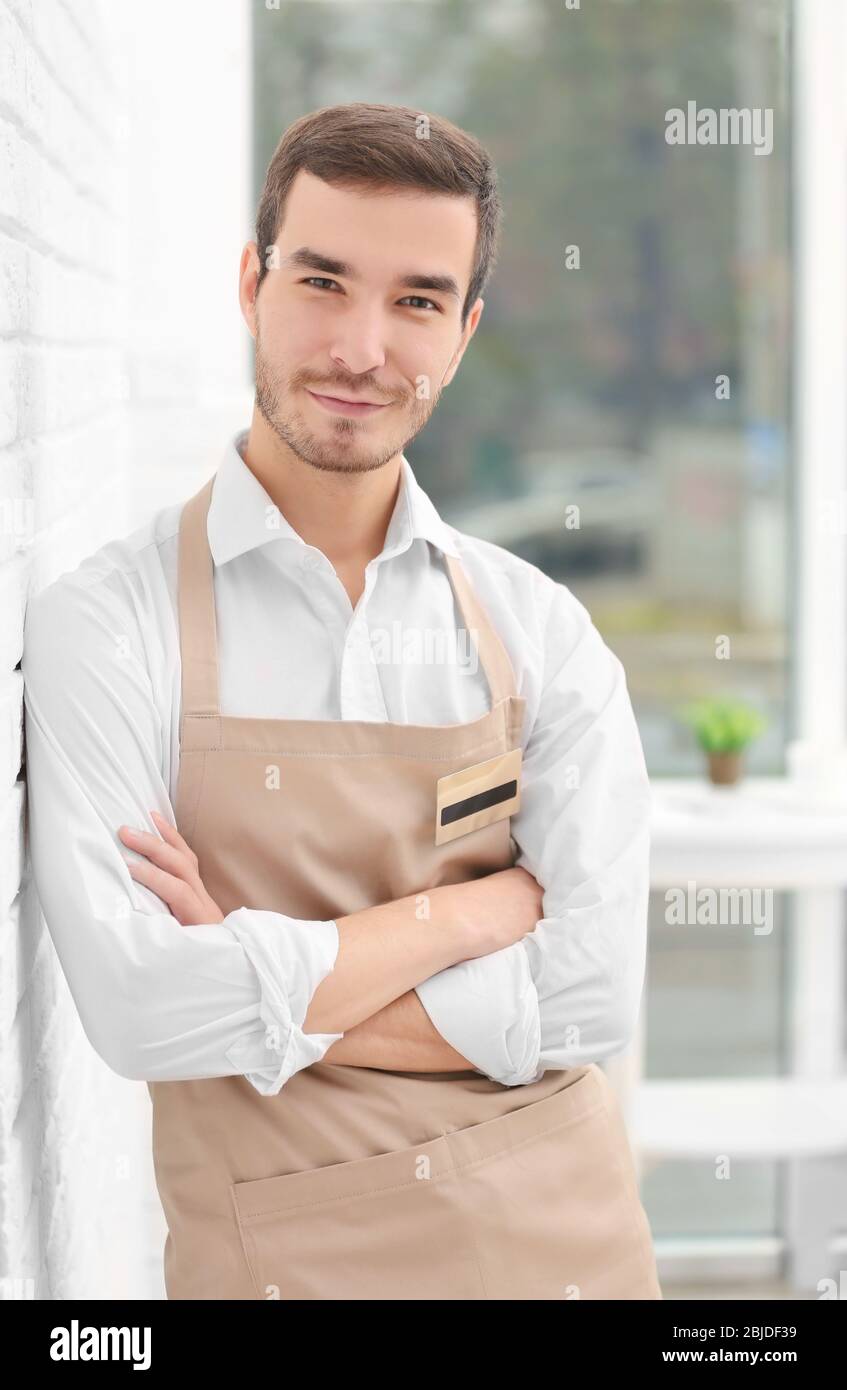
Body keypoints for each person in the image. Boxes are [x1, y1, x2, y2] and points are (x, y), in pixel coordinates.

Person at [22, 101, 662, 1300]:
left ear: (464, 332)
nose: (362, 348)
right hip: (280, 1263)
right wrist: (467, 918)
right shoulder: (110, 627)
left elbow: (586, 997)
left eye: (417, 300)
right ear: (253, 283)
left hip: (566, 1250)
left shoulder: (544, 635)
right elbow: (142, 1009)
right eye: (323, 282)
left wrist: (253, 970)